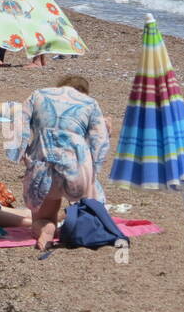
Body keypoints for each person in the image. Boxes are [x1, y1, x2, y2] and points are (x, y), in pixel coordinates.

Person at [9, 75, 112, 252]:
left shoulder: (38, 95)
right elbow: (99, 142)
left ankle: (47, 230)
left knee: (43, 217)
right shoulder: (90, 103)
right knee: (90, 211)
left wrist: (20, 154)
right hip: (76, 165)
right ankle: (71, 228)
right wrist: (94, 170)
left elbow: (19, 124)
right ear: (84, 91)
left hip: (43, 163)